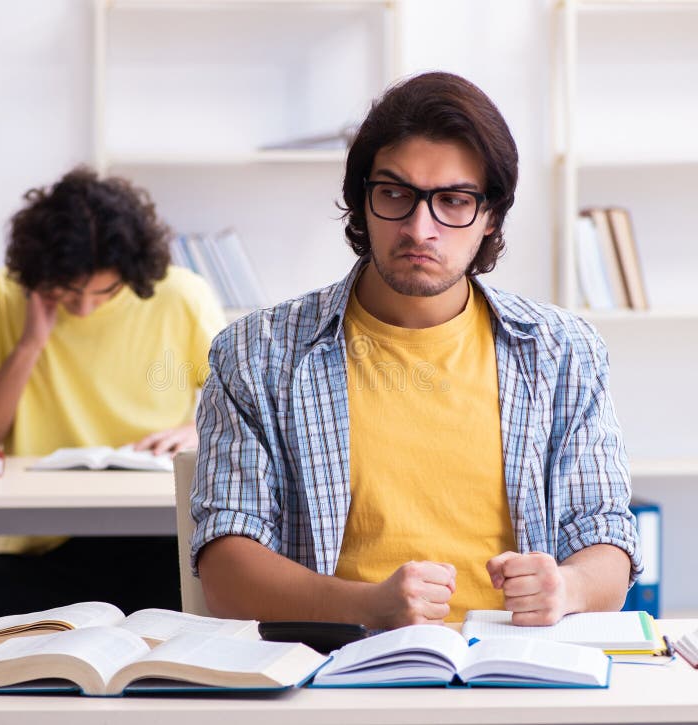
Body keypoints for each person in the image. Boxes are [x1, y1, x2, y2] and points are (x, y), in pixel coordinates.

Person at [191, 72, 641, 630]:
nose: (419, 228)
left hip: (516, 673)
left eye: (453, 200)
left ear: (491, 215)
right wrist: (364, 608)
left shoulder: (563, 352)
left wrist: (565, 587)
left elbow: (608, 540)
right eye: (396, 194)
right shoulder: (256, 354)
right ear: (363, 199)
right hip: (334, 676)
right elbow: (226, 575)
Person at [0, 166, 225, 624]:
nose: (84, 307)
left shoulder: (181, 295)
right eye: (67, 291)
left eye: (104, 291)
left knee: (207, 590)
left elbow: (242, 414)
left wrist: (195, 431)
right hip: (50, 550)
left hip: (155, 539)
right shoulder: (2, 295)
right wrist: (30, 344)